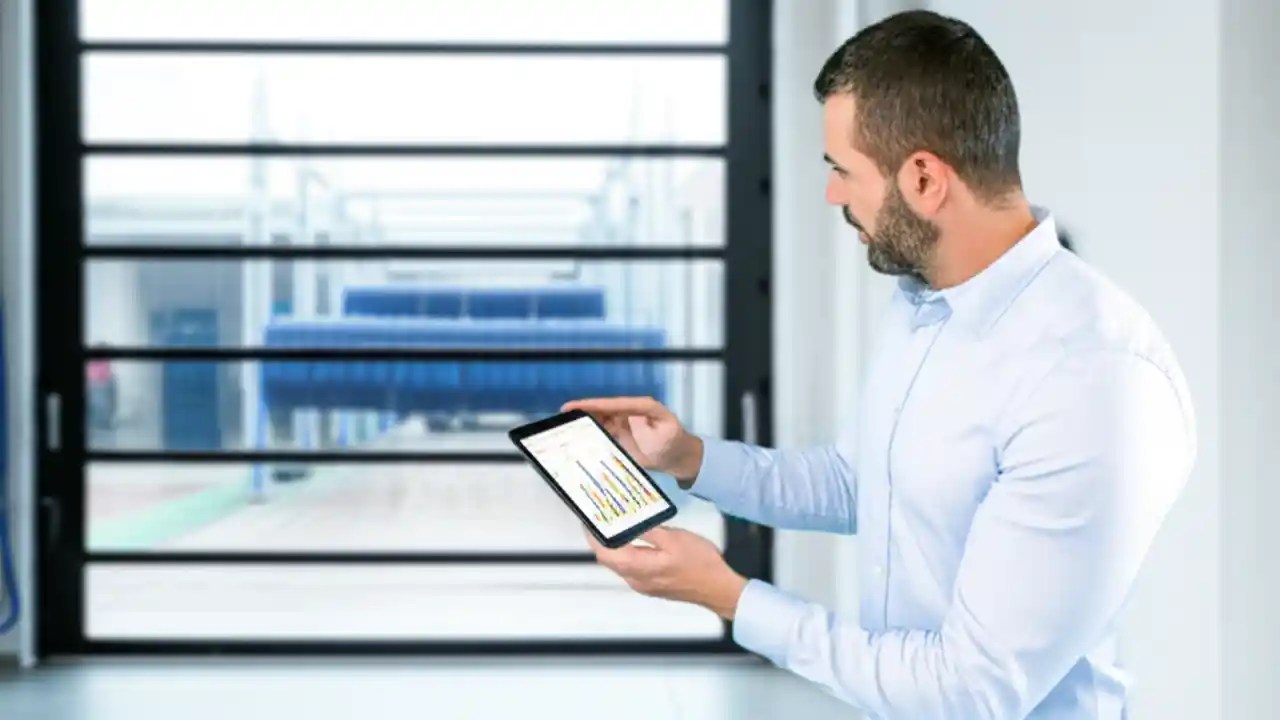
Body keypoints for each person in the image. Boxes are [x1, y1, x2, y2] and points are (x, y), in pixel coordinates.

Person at [563, 10, 1195, 720]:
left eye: (842, 170)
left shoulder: (1092, 377)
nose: (832, 193)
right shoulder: (925, 306)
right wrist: (688, 458)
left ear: (924, 178)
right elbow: (855, 483)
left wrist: (731, 597)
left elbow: (969, 691)